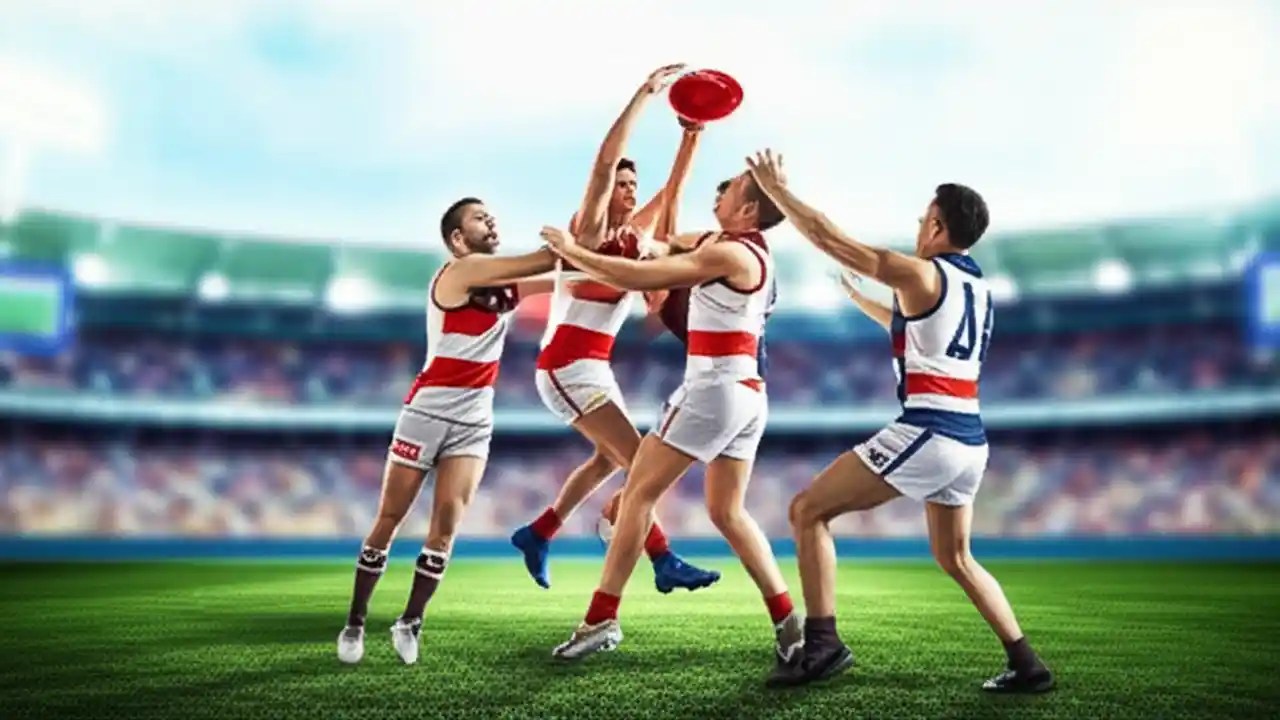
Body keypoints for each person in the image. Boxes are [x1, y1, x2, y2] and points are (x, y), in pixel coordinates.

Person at [743, 150, 1054, 693]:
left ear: (937, 225)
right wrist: (861, 301)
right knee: (956, 556)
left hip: (929, 430)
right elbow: (913, 327)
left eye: (921, 219)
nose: (917, 228)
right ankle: (1027, 664)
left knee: (807, 510)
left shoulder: (920, 272)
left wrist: (779, 193)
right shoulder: (977, 291)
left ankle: (822, 644)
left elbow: (832, 240)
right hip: (970, 442)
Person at [542, 170, 803, 677]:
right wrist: (688, 147)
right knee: (728, 512)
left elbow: (638, 276)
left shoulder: (730, 254)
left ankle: (601, 619)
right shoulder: (736, 249)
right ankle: (789, 625)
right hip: (748, 395)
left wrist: (571, 250)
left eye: (727, 190)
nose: (719, 192)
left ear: (748, 210)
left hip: (714, 389)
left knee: (637, 495)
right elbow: (662, 240)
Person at [512, 64, 718, 594]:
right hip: (564, 365)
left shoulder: (633, 236)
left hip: (592, 368)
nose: (627, 190)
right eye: (621, 185)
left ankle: (539, 532)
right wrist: (644, 96)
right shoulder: (591, 232)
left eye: (632, 185)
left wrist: (691, 133)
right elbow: (603, 164)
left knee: (612, 458)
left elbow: (674, 191)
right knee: (641, 464)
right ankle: (664, 559)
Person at [337, 197, 556, 665]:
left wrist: (616, 258)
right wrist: (570, 245)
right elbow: (545, 261)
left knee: (446, 529)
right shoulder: (455, 274)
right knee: (390, 518)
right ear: (458, 239)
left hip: (474, 420)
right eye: (479, 217)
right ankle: (355, 622)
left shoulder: (501, 284)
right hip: (428, 412)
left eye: (491, 214)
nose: (491, 219)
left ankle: (410, 621)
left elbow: (564, 278)